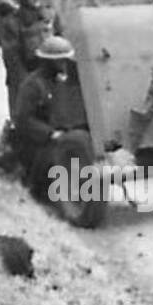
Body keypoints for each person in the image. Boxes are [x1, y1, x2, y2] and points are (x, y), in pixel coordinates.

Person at [12, 36, 89, 195]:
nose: (64, 64)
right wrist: (50, 133)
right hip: (40, 144)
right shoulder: (32, 85)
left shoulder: (63, 83)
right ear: (47, 62)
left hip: (62, 137)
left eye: (65, 60)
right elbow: (23, 119)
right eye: (59, 61)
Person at [1, 0, 61, 118]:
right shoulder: (12, 22)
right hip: (25, 77)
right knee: (25, 120)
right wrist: (28, 84)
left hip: (51, 76)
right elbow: (12, 58)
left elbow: (61, 43)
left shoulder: (50, 16)